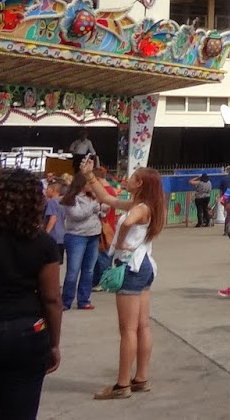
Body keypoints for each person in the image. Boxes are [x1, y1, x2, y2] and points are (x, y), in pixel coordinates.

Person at [0, 167, 63, 416]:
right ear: (36, 201)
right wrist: (54, 343)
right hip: (27, 333)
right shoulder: (44, 244)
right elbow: (51, 299)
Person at [85, 166, 165, 399]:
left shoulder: (139, 209)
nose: (127, 180)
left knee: (128, 329)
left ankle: (122, 384)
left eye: (132, 177)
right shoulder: (147, 206)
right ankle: (140, 378)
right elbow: (107, 198)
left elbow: (128, 221)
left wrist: (118, 243)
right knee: (142, 326)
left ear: (139, 184)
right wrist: (91, 176)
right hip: (144, 265)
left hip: (131, 266)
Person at [60, 167, 106, 311]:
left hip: (93, 235)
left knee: (89, 270)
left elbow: (99, 212)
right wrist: (94, 205)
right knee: (73, 270)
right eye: (88, 182)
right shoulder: (70, 198)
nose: (91, 185)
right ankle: (66, 300)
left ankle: (84, 299)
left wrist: (102, 208)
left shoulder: (91, 196)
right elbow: (77, 215)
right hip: (76, 237)